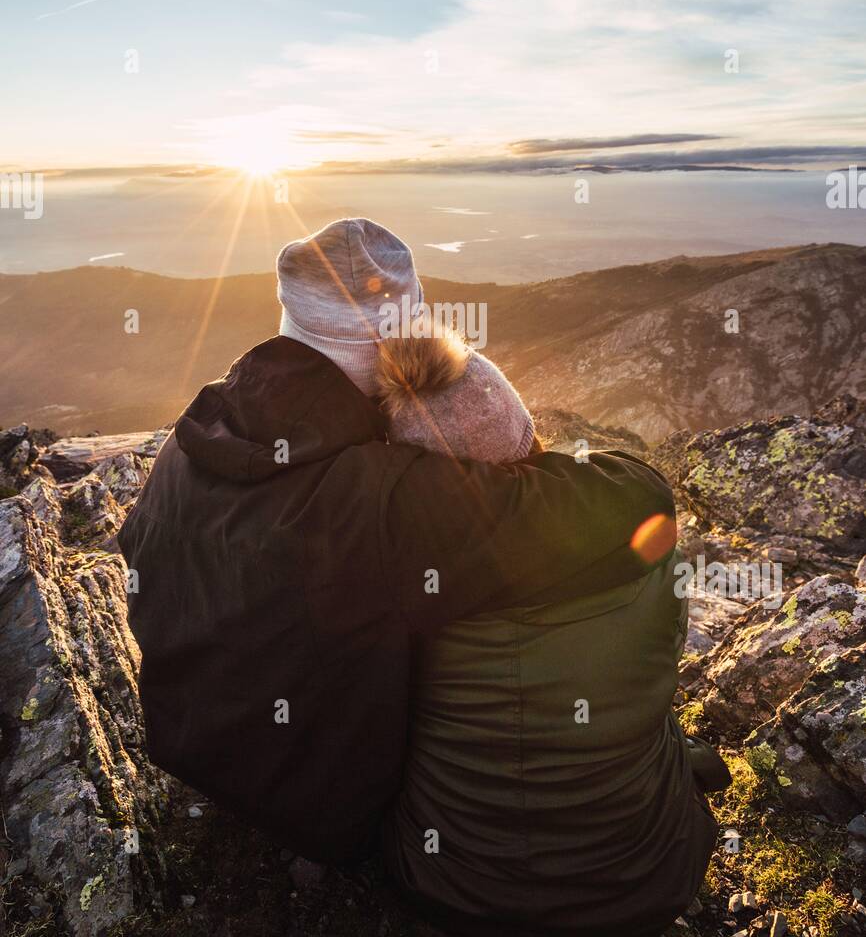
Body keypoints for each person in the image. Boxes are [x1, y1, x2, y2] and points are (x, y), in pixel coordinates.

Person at [118, 219, 680, 872]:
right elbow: (637, 500)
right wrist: (501, 463)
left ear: (286, 318)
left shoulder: (190, 439)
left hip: (189, 754)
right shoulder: (376, 496)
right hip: (317, 816)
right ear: (401, 341)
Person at [376, 327, 726, 937]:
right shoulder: (644, 535)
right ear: (524, 431)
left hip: (449, 889)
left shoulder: (399, 583)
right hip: (649, 881)